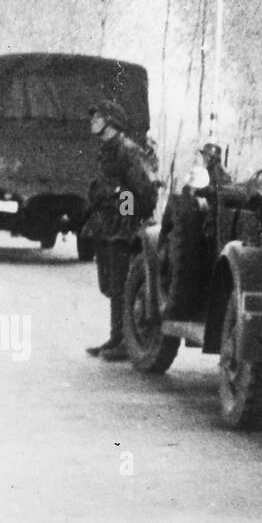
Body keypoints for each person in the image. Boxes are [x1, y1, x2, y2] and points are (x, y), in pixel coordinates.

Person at [82, 100, 159, 362]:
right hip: (106, 227)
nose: (93, 121)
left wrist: (124, 214)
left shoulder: (127, 151)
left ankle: (125, 341)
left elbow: (144, 193)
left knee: (121, 285)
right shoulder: (107, 149)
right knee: (111, 286)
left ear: (111, 122)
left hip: (121, 230)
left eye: (98, 117)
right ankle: (116, 337)